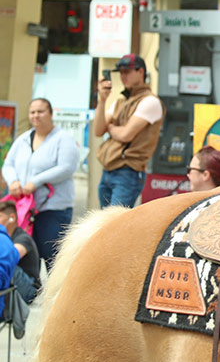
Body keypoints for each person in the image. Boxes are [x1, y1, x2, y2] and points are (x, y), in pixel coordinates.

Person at [1, 97, 79, 269]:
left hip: (53, 209)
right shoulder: (23, 139)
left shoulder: (63, 138)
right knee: (27, 257)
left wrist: (35, 182)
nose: (36, 115)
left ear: (51, 114)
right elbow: (8, 164)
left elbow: (67, 167)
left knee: (53, 259)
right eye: (32, 112)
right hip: (25, 210)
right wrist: (13, 181)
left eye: (41, 111)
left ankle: (56, 295)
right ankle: (30, 293)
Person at [94, 54, 164, 209]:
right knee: (104, 225)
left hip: (128, 171)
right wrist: (102, 100)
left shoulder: (150, 101)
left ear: (140, 72)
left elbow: (126, 135)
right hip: (109, 170)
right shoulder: (121, 101)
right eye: (121, 72)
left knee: (114, 225)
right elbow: (98, 130)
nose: (123, 76)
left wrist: (111, 127)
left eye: (127, 71)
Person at [0, 200, 41, 302]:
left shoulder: (23, 238)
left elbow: (12, 257)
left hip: (29, 288)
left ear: (12, 218)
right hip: (16, 284)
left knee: (6, 263)